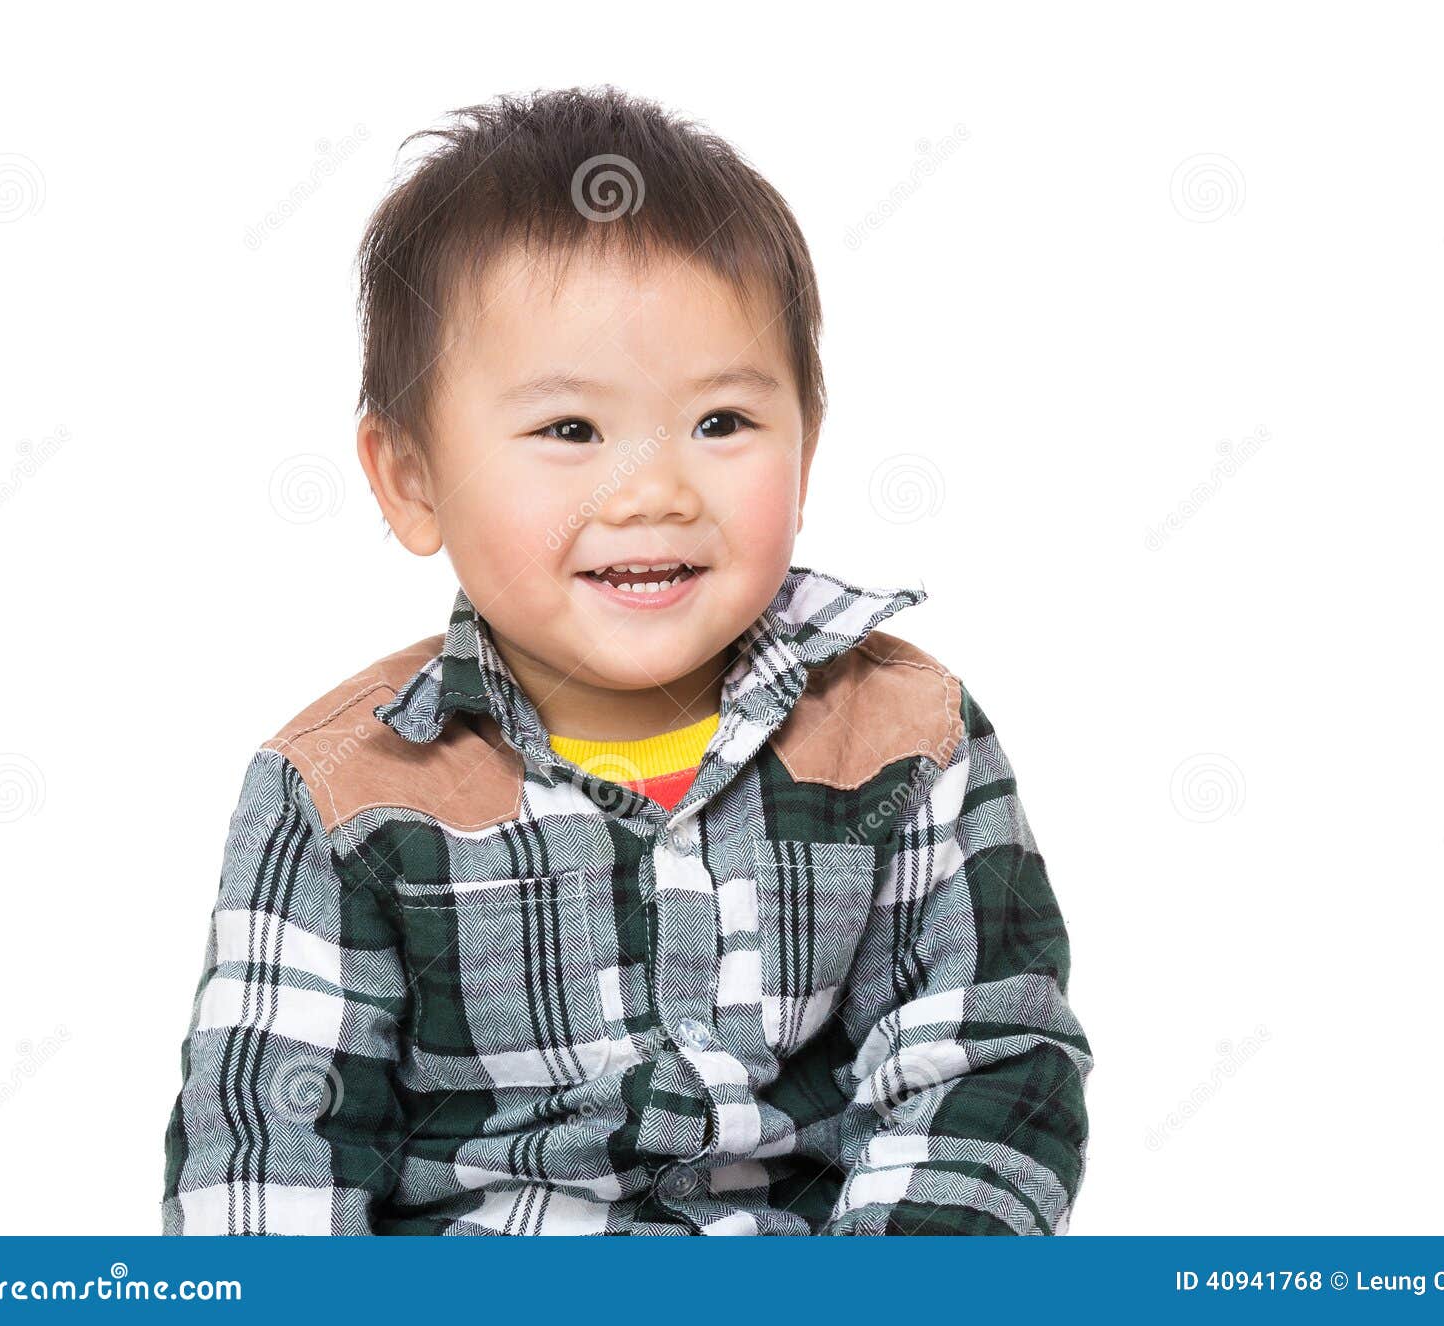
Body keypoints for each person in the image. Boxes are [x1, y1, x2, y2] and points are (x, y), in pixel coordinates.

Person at [161, 85, 1092, 1235]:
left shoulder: (908, 737)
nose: (654, 491)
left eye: (721, 425)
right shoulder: (343, 792)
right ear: (410, 479)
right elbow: (266, 1142)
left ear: (806, 450)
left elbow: (987, 1061)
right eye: (569, 432)